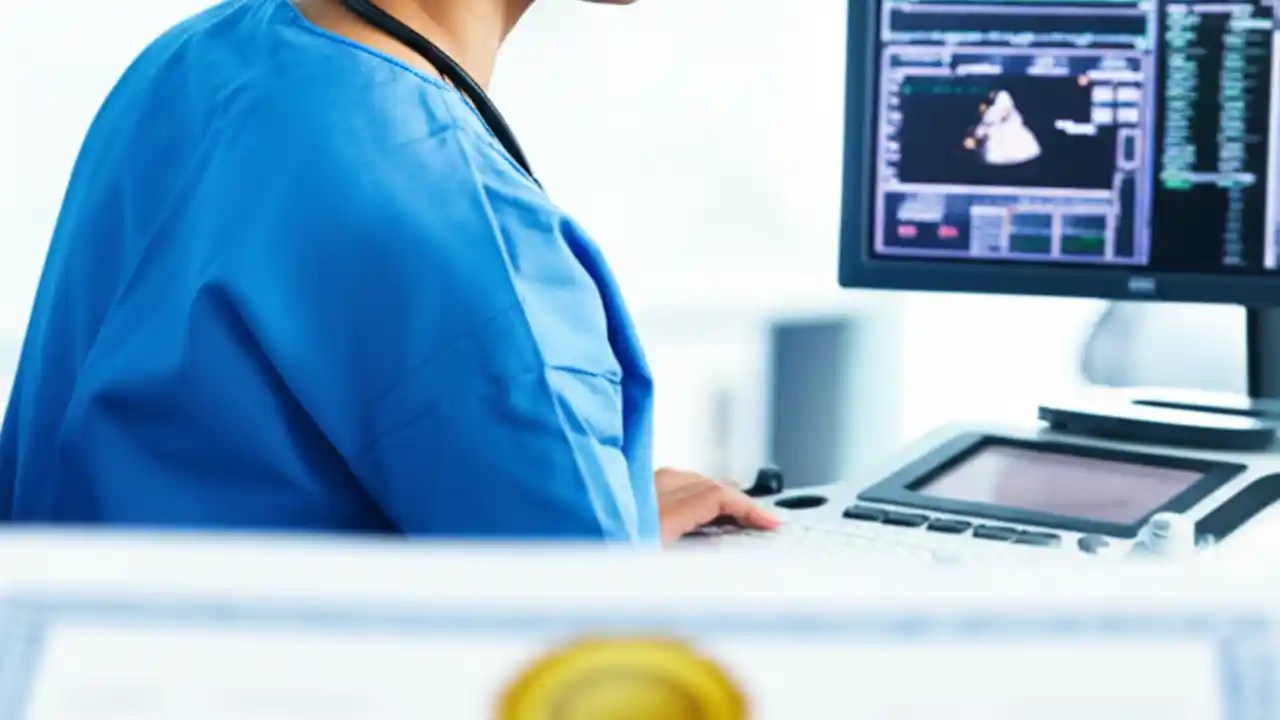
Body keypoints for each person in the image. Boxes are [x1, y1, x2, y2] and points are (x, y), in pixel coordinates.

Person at [0, 0, 780, 545]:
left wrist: (611, 520)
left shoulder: (198, 58)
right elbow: (581, 636)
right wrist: (604, 539)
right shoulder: (457, 220)